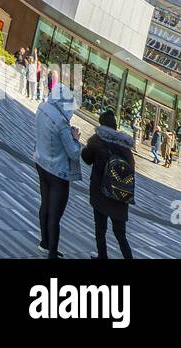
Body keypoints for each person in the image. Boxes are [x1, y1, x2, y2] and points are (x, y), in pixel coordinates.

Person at [79, 108, 135, 260]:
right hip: (120, 194)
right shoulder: (125, 145)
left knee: (100, 229)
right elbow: (131, 168)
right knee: (120, 234)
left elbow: (86, 158)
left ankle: (102, 256)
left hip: (101, 192)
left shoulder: (97, 140)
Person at [35, 83, 82, 259]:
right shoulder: (62, 122)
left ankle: (44, 243)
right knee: (55, 213)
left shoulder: (42, 108)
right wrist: (75, 138)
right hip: (58, 172)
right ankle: (53, 253)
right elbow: (74, 153)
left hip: (41, 162)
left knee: (45, 204)